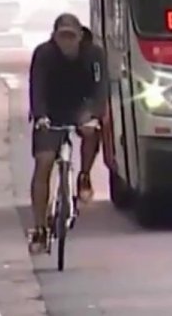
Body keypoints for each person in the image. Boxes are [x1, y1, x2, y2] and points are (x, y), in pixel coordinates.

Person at [27, 14, 107, 254]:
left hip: (80, 105)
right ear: (54, 36)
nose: (67, 43)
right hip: (51, 110)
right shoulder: (44, 54)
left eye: (71, 37)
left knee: (91, 130)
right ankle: (40, 228)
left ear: (80, 36)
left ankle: (84, 174)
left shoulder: (94, 54)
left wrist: (95, 114)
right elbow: (37, 87)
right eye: (62, 37)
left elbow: (100, 87)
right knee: (44, 162)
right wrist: (40, 116)